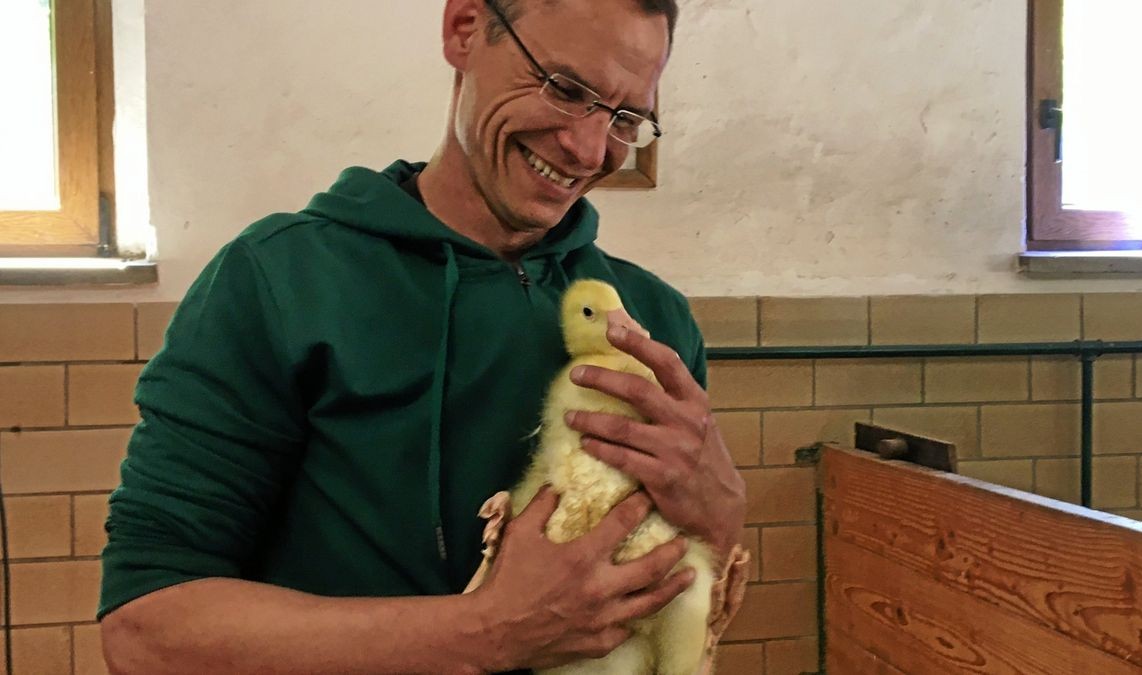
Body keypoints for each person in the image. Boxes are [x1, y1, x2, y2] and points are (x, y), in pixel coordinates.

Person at [98, 0, 748, 673]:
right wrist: (486, 631)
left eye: (625, 117)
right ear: (464, 30)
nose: (588, 150)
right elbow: (146, 632)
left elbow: (679, 610)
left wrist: (723, 512)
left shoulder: (651, 321)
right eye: (564, 88)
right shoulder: (278, 281)